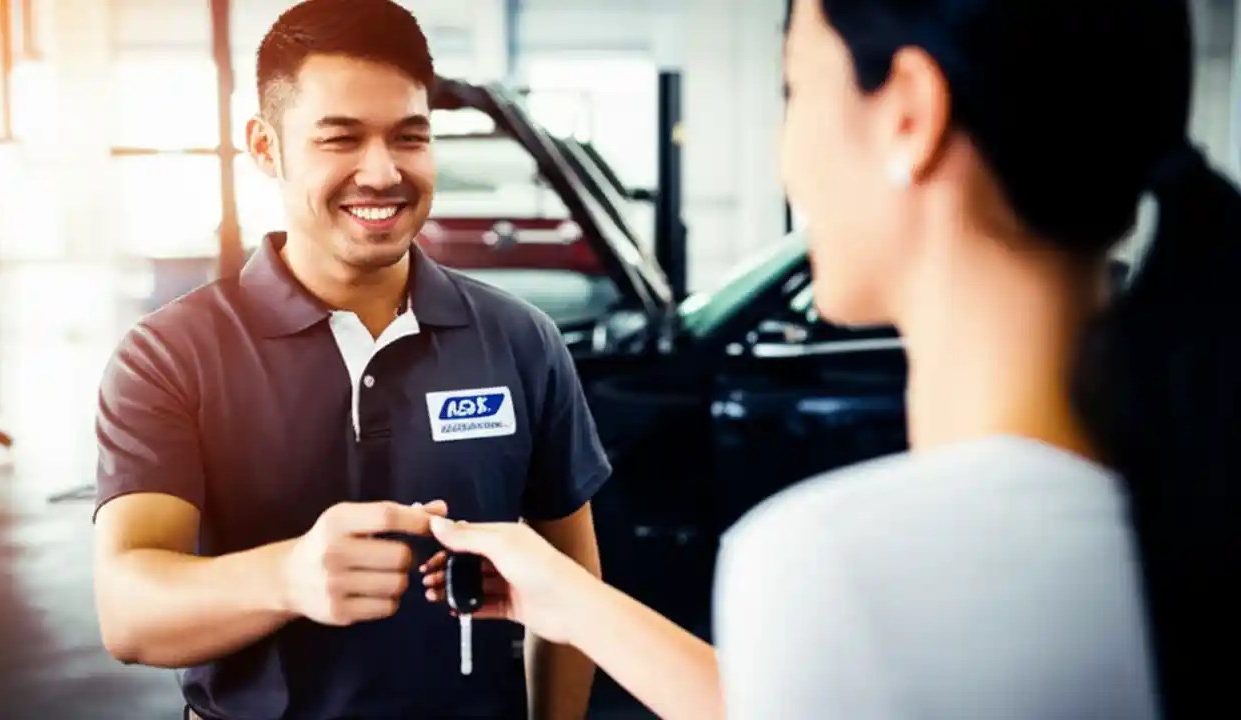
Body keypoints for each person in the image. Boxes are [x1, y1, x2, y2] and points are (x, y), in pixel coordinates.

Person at [423, 0, 1241, 717]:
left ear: (908, 116)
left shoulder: (833, 564)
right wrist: (570, 600)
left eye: (795, 88)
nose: (790, 149)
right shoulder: (1185, 508)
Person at [91, 1, 610, 718]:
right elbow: (128, 613)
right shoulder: (171, 356)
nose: (382, 171)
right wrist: (289, 579)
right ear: (266, 148)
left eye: (409, 137)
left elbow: (573, 581)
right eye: (340, 139)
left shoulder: (520, 340)